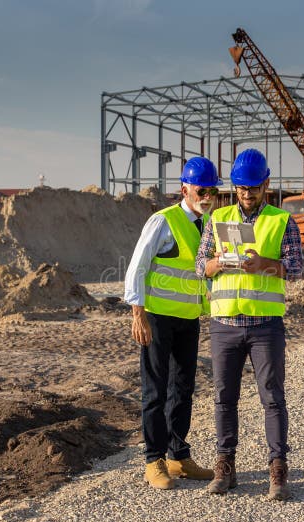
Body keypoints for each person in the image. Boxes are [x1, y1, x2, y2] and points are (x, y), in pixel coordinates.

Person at [195, 148, 304, 500]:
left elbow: (297, 267)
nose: (246, 193)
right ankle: (225, 466)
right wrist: (216, 264)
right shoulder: (218, 218)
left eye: (253, 187)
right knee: (224, 399)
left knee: (272, 398)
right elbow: (200, 268)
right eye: (241, 187)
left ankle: (278, 470)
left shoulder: (281, 220)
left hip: (264, 326)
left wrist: (264, 265)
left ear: (266, 184)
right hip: (224, 323)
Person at [124, 156, 221, 490]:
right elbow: (136, 267)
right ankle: (154, 461)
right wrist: (138, 315)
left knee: (183, 390)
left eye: (212, 190)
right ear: (185, 189)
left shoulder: (210, 226)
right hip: (157, 319)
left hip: (188, 319)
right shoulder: (162, 221)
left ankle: (178, 455)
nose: (207, 195)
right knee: (155, 390)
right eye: (200, 189)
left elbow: (201, 273)